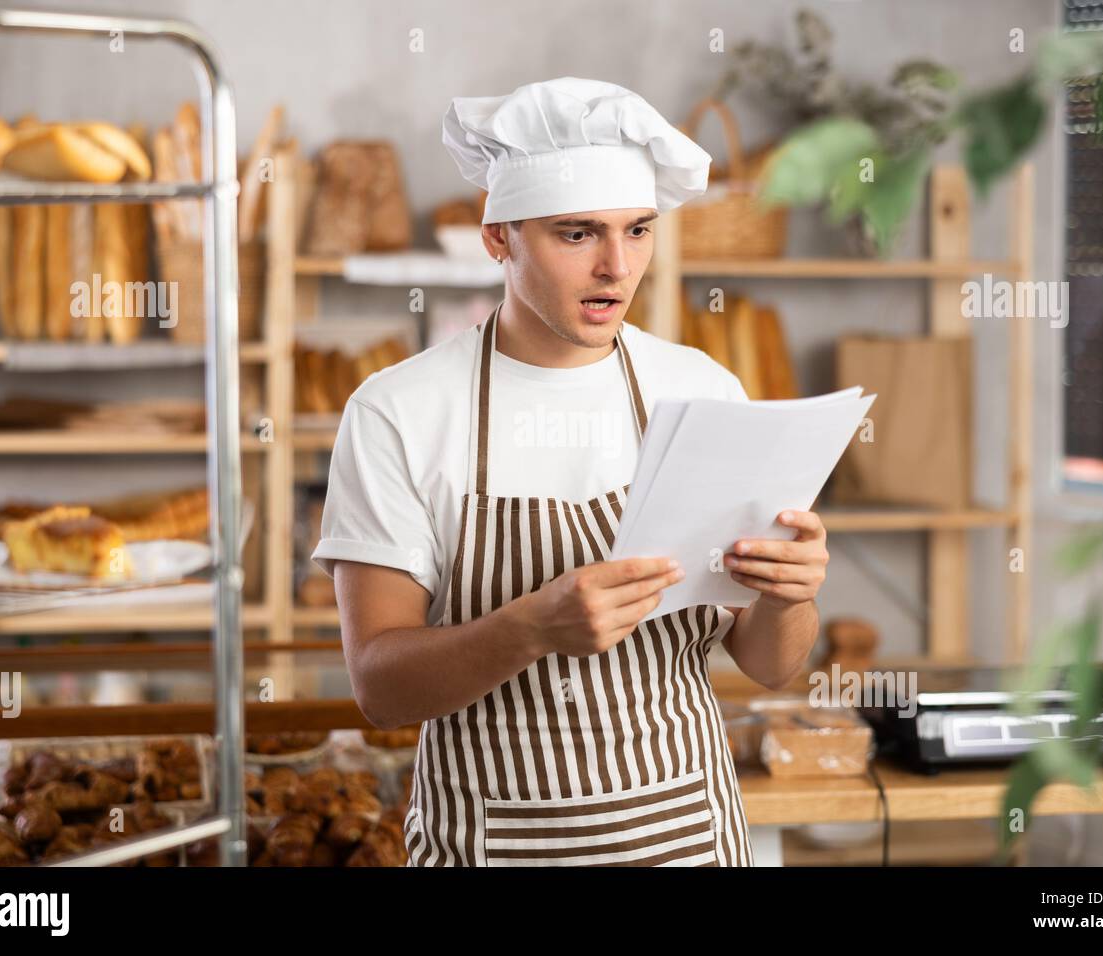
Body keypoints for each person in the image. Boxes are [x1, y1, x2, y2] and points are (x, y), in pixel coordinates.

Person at [312, 77, 829, 867]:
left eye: (638, 230)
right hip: (491, 847)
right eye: (578, 234)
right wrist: (528, 629)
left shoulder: (699, 390)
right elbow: (381, 691)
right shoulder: (398, 411)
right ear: (498, 237)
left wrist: (792, 592)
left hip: (687, 835)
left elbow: (768, 663)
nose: (616, 268)